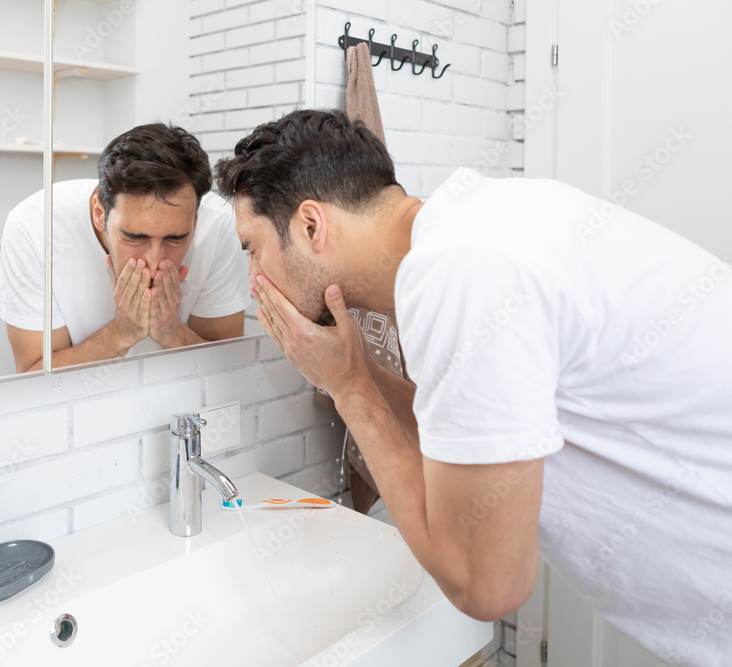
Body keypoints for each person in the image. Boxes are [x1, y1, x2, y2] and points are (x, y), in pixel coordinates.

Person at [213, 109, 732, 664]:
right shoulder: (477, 228)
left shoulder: (460, 272)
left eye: (251, 247)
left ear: (311, 226)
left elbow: (488, 587)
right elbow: (464, 438)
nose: (253, 281)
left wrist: (349, 388)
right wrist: (358, 372)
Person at [0, 123, 250, 372]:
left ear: (195, 221)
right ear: (99, 214)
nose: (152, 261)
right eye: (134, 237)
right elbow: (33, 378)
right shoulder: (34, 228)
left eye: (175, 239)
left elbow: (229, 368)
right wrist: (122, 332)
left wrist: (171, 332)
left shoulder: (219, 225)